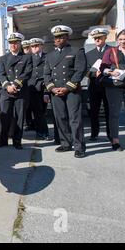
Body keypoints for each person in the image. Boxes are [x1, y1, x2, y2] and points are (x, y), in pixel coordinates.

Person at [44, 25, 87, 158]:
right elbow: (46, 74)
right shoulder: (49, 55)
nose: (58, 39)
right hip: (56, 92)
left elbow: (81, 70)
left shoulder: (76, 50)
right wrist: (52, 88)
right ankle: (66, 143)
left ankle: (79, 147)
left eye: (61, 36)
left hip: (71, 90)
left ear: (67, 37)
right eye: (56, 37)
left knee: (75, 119)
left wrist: (67, 87)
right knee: (60, 118)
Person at [100, 29, 125, 152]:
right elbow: (103, 68)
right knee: (114, 114)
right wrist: (111, 71)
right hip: (114, 86)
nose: (122, 41)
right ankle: (115, 141)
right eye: (120, 39)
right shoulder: (110, 51)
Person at [0, 33, 32, 150]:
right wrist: (7, 86)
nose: (13, 45)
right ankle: (3, 140)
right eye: (11, 43)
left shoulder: (27, 57)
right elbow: (0, 74)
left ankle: (17, 141)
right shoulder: (3, 58)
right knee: (5, 116)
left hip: (20, 91)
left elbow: (27, 73)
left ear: (20, 43)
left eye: (15, 43)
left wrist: (15, 84)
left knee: (19, 117)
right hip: (6, 92)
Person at [86, 28, 112, 142]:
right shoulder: (89, 53)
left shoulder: (113, 50)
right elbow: (85, 70)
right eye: (95, 38)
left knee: (109, 111)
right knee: (94, 111)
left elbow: (117, 65)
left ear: (105, 38)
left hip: (109, 85)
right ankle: (94, 133)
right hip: (94, 85)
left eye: (99, 37)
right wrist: (93, 73)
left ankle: (111, 134)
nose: (97, 39)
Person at [28, 38, 49, 140]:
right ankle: (41, 132)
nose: (34, 47)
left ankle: (42, 131)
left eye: (37, 45)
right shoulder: (28, 58)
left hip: (44, 87)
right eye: (32, 46)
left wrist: (46, 91)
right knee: (37, 111)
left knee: (42, 112)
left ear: (41, 46)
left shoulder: (47, 57)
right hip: (32, 89)